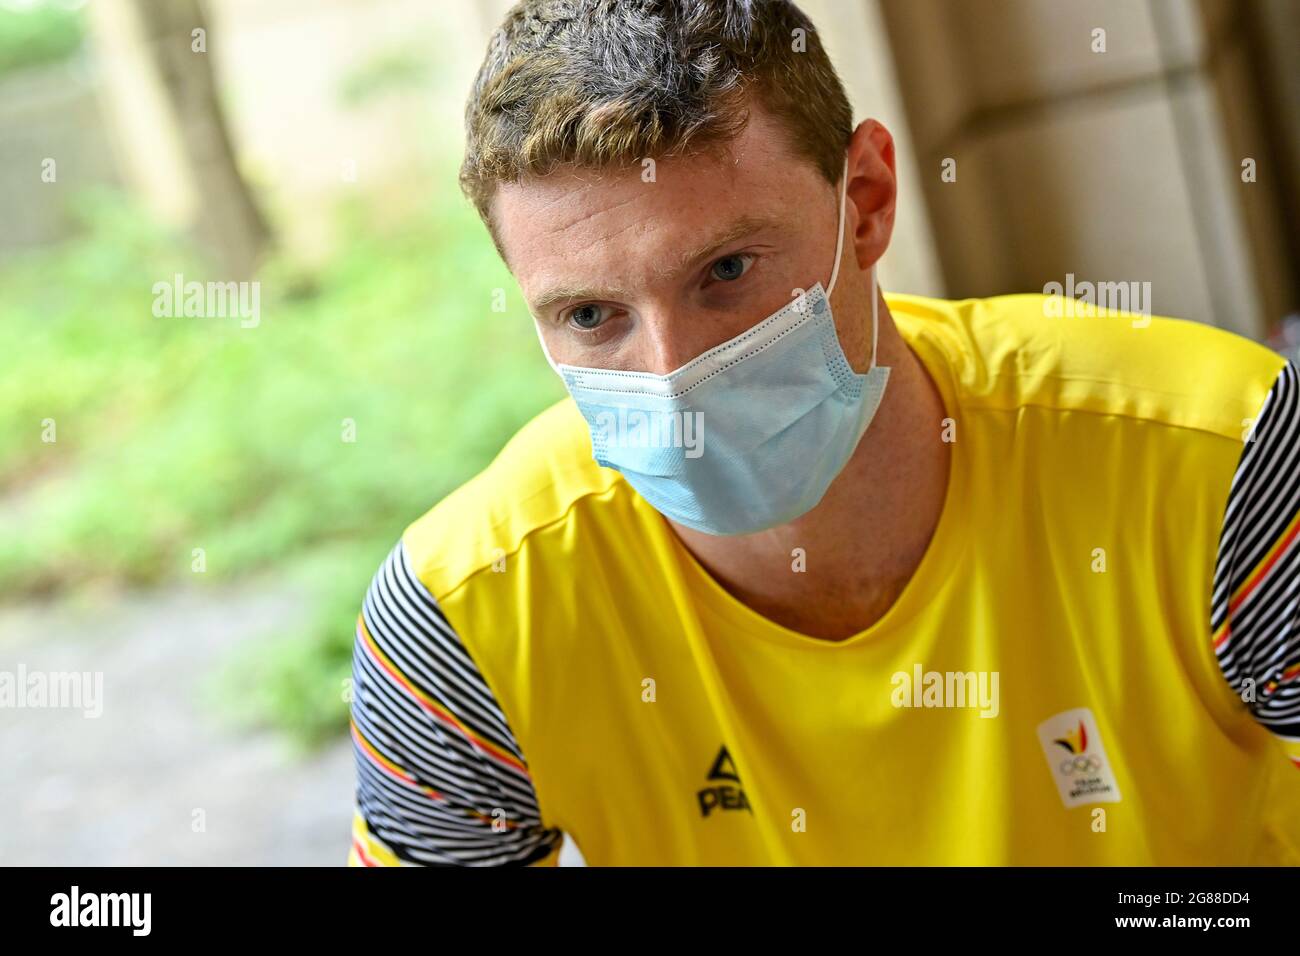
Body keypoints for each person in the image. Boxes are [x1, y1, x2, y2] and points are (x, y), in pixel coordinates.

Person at [346, 0, 1299, 866]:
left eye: (726, 271)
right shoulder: (464, 619)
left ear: (868, 201)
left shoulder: (1216, 456)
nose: (673, 377)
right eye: (592, 316)